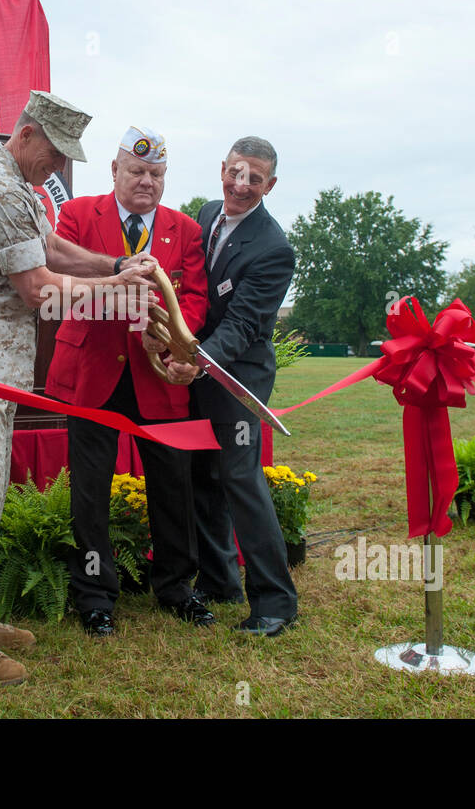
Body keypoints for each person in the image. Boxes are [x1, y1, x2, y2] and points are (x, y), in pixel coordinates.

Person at [0, 91, 155, 683]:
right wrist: (121, 295)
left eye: (63, 159)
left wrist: (113, 265)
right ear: (24, 135)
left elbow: (47, 247)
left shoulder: (10, 180)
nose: (56, 167)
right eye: (52, 153)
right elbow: (37, 287)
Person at [44, 126, 212, 636]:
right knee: (90, 491)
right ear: (113, 171)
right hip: (91, 373)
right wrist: (115, 296)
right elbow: (58, 285)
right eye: (137, 171)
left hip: (158, 377)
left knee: (172, 485)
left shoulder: (185, 229)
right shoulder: (75, 215)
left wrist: (174, 341)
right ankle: (95, 596)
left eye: (156, 174)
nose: (147, 182)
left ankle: (176, 588)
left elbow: (197, 299)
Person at [172, 136, 299, 637]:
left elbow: (244, 326)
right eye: (235, 173)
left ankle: (275, 601)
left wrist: (194, 360)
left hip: (237, 377)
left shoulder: (274, 248)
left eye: (255, 179)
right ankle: (220, 578)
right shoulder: (204, 213)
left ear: (271, 185)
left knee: (241, 480)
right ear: (222, 167)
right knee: (203, 474)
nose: (241, 186)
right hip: (199, 369)